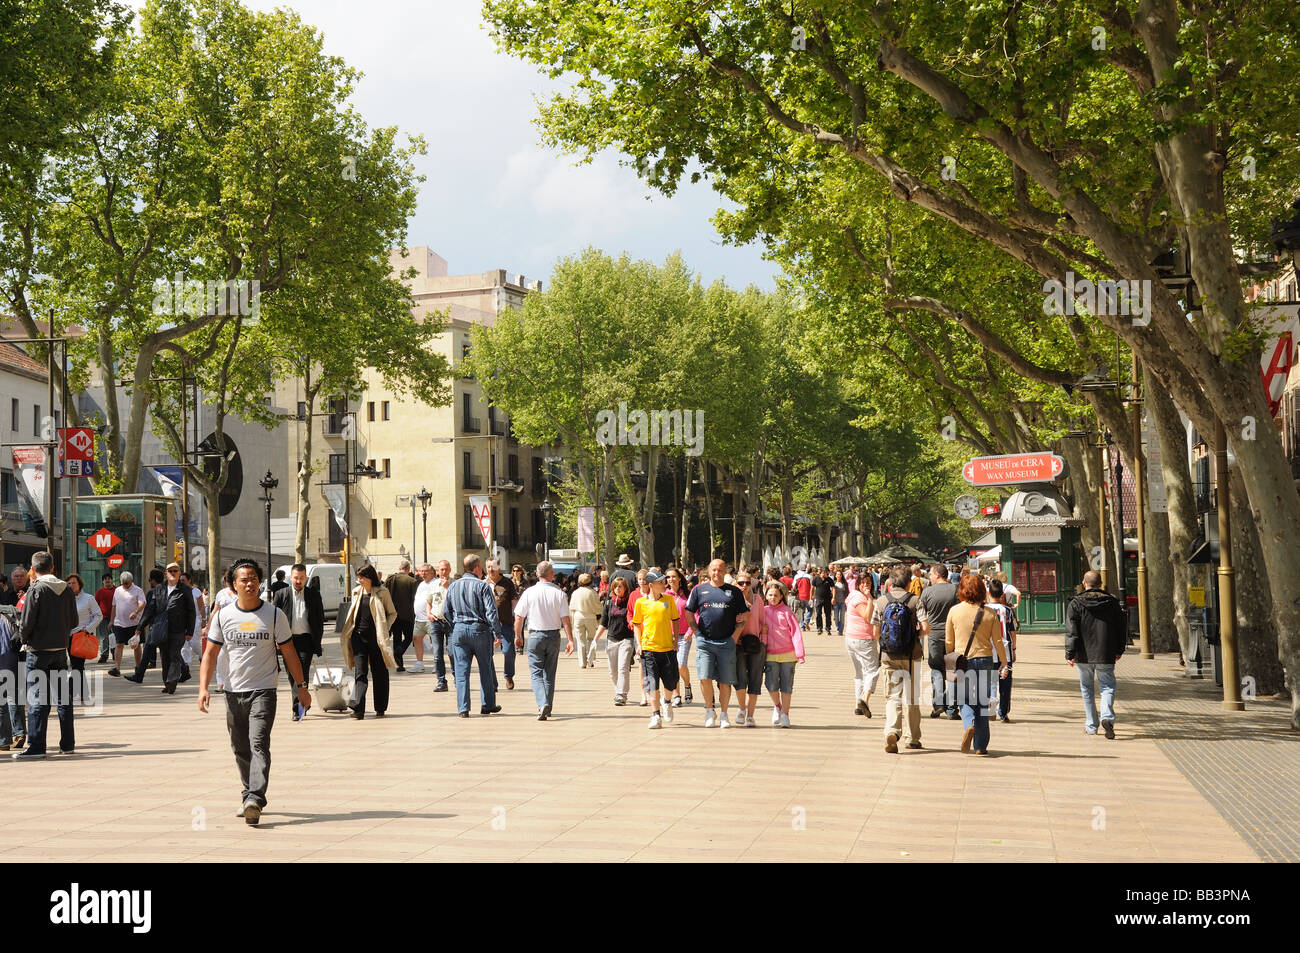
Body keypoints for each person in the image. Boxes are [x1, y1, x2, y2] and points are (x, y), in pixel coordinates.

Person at [198, 559, 311, 825]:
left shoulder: (274, 615)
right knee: (240, 747)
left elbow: (290, 652)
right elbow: (210, 654)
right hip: (233, 690)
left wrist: (301, 688)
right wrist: (203, 688)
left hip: (264, 690)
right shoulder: (223, 616)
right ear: (233, 585)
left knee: (259, 743)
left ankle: (255, 799)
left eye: (253, 579)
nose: (249, 584)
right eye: (243, 580)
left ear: (259, 583)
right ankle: (249, 793)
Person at [15, 551, 77, 759]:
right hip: (60, 650)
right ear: (52, 568)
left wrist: (24, 640)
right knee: (63, 699)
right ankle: (68, 744)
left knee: (37, 699)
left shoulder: (36, 589)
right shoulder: (67, 589)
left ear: (33, 569)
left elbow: (26, 623)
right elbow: (75, 622)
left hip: (38, 651)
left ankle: (36, 746)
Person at [944, 573, 1008, 755]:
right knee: (982, 701)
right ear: (982, 590)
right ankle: (980, 746)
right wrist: (1003, 661)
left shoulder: (954, 611)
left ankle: (969, 724)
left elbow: (949, 641)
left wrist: (950, 656)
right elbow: (997, 640)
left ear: (961, 590)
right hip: (985, 659)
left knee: (964, 698)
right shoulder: (990, 613)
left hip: (962, 660)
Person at [684, 558, 748, 729]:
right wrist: (696, 632)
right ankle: (709, 710)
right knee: (704, 677)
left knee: (725, 681)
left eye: (720, 570)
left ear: (725, 571)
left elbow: (744, 615)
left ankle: (724, 714)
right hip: (705, 642)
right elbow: (689, 612)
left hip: (727, 642)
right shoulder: (699, 590)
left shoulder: (734, 592)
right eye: (713, 570)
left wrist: (735, 635)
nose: (716, 573)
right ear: (708, 571)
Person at [875, 566, 930, 753]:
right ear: (909, 583)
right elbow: (926, 628)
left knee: (892, 696)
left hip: (888, 656)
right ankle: (912, 738)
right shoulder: (915, 600)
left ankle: (892, 731)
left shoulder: (881, 601)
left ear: (890, 582)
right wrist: (915, 636)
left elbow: (875, 631)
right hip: (911, 655)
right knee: (912, 697)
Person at [1066, 570, 1126, 738]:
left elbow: (1071, 631)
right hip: (1105, 651)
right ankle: (1107, 716)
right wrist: (1119, 649)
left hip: (1083, 654)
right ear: (1100, 584)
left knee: (1087, 688)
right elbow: (1122, 627)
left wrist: (1069, 653)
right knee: (1107, 686)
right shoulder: (1112, 602)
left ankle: (1091, 725)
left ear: (1084, 584)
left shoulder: (1075, 603)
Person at [513, 561, 574, 720]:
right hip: (553, 636)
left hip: (535, 636)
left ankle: (542, 704)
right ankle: (548, 706)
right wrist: (570, 640)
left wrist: (518, 636)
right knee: (549, 674)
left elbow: (519, 616)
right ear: (551, 574)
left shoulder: (528, 592)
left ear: (538, 574)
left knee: (536, 673)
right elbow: (565, 619)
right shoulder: (559, 593)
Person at [442, 554, 502, 717]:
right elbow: (491, 612)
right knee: (485, 668)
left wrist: (455, 624)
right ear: (476, 567)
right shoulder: (483, 586)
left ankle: (463, 708)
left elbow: (445, 611)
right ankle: (487, 704)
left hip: (459, 630)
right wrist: (497, 632)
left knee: (461, 671)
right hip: (480, 630)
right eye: (481, 566)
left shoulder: (453, 586)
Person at [125, 564, 195, 693]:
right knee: (165, 657)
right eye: (170, 571)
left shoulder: (185, 590)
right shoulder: (159, 589)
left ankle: (172, 681)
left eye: (175, 571)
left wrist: (190, 631)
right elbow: (150, 609)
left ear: (179, 573)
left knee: (174, 655)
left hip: (178, 628)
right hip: (161, 628)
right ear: (166, 573)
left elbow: (191, 611)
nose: (173, 573)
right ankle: (167, 683)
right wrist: (140, 626)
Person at [339, 566, 397, 719]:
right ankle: (358, 709)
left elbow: (392, 613)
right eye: (358, 577)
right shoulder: (356, 592)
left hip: (377, 639)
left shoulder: (382, 592)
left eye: (362, 577)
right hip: (358, 638)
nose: (359, 580)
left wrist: (385, 627)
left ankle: (380, 707)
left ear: (370, 577)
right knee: (360, 673)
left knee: (380, 674)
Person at [273, 564, 325, 721]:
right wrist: (275, 639)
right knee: (291, 675)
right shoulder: (281, 594)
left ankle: (299, 708)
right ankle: (302, 700)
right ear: (290, 578)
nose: (298, 581)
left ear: (306, 579)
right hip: (287, 641)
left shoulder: (313, 595)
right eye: (296, 578)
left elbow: (319, 619)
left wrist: (318, 640)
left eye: (302, 578)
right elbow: (273, 620)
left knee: (302, 672)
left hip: (306, 640)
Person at [632, 570, 680, 729]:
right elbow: (637, 625)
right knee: (651, 683)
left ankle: (667, 701)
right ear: (651, 585)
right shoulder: (641, 603)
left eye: (663, 581)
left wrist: (675, 639)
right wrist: (639, 644)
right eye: (660, 582)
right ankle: (655, 715)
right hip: (648, 649)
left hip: (667, 648)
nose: (663, 584)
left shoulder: (669, 600)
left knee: (671, 682)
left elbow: (675, 620)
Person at [758, 581, 804, 727]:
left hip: (788, 655)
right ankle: (777, 705)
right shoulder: (763, 611)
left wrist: (800, 653)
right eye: (770, 595)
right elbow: (760, 631)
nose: (772, 597)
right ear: (765, 596)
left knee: (786, 686)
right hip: (770, 654)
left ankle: (785, 714)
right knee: (771, 685)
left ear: (781, 596)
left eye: (776, 595)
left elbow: (796, 633)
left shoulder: (787, 612)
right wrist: (764, 637)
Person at [920, 564, 961, 719]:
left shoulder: (927, 592)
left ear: (937, 575)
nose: (929, 577)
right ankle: (951, 709)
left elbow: (921, 614)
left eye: (930, 574)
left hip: (934, 635)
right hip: (953, 636)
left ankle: (938, 704)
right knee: (952, 671)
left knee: (936, 669)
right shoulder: (955, 590)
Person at [732, 571, 765, 727]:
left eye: (747, 583)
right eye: (740, 583)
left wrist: (763, 643)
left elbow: (763, 623)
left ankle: (751, 715)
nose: (744, 586)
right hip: (738, 644)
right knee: (739, 679)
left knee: (755, 679)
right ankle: (741, 709)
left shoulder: (758, 600)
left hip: (754, 644)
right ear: (735, 584)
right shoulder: (731, 600)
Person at [843, 573, 879, 717]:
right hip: (863, 639)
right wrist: (870, 598)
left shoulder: (853, 595)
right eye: (863, 582)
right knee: (873, 670)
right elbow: (867, 616)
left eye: (868, 583)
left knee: (859, 673)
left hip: (851, 638)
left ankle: (858, 703)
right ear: (858, 584)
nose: (866, 585)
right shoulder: (860, 598)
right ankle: (865, 698)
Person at [597, 576, 635, 705]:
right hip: (612, 639)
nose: (618, 589)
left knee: (623, 668)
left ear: (625, 588)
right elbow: (603, 623)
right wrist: (595, 640)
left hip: (627, 639)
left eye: (620, 586)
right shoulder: (609, 602)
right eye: (615, 587)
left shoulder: (630, 602)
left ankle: (621, 694)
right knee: (612, 671)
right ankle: (618, 690)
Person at [65, 573, 102, 703]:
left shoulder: (88, 598)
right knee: (78, 666)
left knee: (77, 665)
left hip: (81, 636)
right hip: (66, 636)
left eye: (73, 583)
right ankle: (83, 693)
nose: (71, 585)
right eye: (68, 583)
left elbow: (98, 615)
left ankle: (68, 691)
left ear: (79, 584)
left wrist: (88, 629)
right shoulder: (63, 599)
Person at [986, 580, 1018, 722]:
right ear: (1002, 594)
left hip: (988, 650)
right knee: (1005, 682)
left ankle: (991, 708)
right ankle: (1003, 712)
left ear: (988, 593)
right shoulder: (1008, 611)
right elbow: (1012, 632)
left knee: (990, 681)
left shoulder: (984, 609)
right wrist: (1014, 649)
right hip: (1005, 650)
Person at [485, 560, 518, 689]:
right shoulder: (483, 583)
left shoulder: (507, 583)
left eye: (493, 567)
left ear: (499, 567)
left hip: (505, 624)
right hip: (487, 625)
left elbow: (514, 600)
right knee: (487, 654)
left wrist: (516, 617)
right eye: (488, 567)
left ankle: (508, 676)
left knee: (508, 651)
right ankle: (492, 681)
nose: (491, 570)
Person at [666, 569, 696, 707]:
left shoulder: (688, 595)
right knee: (672, 667)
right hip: (668, 635)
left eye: (673, 577)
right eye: (668, 577)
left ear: (679, 578)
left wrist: (691, 631)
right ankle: (676, 695)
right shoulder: (664, 595)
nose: (671, 579)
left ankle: (687, 685)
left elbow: (695, 614)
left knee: (681, 665)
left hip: (684, 635)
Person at [108, 571, 146, 677]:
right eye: (123, 583)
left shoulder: (138, 590)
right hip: (119, 623)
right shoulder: (117, 590)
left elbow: (142, 603)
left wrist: (136, 612)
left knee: (136, 645)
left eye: (127, 583)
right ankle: (117, 668)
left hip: (134, 623)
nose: (124, 585)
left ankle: (138, 667)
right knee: (119, 644)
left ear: (131, 581)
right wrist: (112, 620)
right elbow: (114, 606)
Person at [385, 559, 419, 673]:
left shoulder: (389, 579)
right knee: (409, 637)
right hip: (407, 614)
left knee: (397, 638)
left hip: (392, 614)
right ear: (408, 569)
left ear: (399, 568)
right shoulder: (412, 581)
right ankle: (398, 652)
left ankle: (399, 665)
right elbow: (415, 599)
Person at [425, 560, 453, 691]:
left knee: (452, 652)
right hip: (436, 622)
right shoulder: (433, 585)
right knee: (437, 654)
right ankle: (441, 681)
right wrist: (428, 614)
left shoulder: (454, 584)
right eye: (441, 569)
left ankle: (457, 677)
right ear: (437, 571)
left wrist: (447, 587)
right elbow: (429, 603)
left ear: (450, 570)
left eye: (446, 569)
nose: (444, 572)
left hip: (450, 623)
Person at [569, 573, 601, 667]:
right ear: (590, 582)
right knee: (592, 639)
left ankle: (582, 662)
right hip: (591, 617)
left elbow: (572, 607)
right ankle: (590, 660)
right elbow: (598, 607)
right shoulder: (592, 593)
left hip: (578, 617)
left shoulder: (575, 592)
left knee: (580, 641)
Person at [411, 563, 437, 674]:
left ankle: (437, 663)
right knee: (417, 639)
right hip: (419, 619)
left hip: (430, 618)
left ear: (432, 572)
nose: (423, 573)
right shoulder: (421, 584)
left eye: (425, 571)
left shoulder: (436, 583)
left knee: (435, 641)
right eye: (421, 571)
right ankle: (419, 664)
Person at [93, 573, 115, 663]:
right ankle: (104, 655)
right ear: (103, 581)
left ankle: (115, 652)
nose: (107, 580)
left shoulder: (117, 590)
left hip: (116, 618)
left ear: (112, 580)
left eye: (109, 578)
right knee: (104, 637)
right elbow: (95, 605)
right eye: (105, 579)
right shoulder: (99, 592)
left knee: (115, 637)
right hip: (103, 618)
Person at [810, 566, 833, 636]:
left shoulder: (829, 579)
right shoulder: (816, 579)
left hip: (827, 599)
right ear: (821, 572)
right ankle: (819, 628)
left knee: (828, 614)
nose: (825, 575)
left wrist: (833, 597)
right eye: (824, 573)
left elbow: (833, 588)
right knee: (818, 614)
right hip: (818, 599)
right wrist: (811, 597)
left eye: (826, 573)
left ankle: (828, 628)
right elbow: (812, 588)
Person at [831, 568, 848, 637]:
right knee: (836, 617)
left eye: (840, 574)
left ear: (841, 575)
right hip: (836, 602)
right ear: (835, 575)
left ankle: (840, 630)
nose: (839, 575)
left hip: (843, 602)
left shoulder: (844, 583)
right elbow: (831, 592)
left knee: (842, 617)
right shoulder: (833, 583)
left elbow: (847, 592)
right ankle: (838, 627)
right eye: (837, 574)